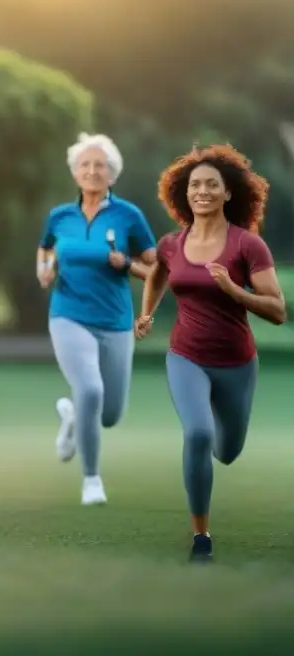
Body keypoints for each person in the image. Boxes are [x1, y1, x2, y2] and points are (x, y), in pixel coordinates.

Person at [135, 144, 285, 562]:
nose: (202, 191)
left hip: (237, 363)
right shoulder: (171, 243)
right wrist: (145, 314)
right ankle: (201, 536)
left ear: (228, 193)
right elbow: (156, 275)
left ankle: (222, 440)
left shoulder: (247, 246)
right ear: (184, 194)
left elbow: (277, 309)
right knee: (198, 433)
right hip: (185, 356)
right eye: (195, 185)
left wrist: (235, 291)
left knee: (227, 450)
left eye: (211, 185)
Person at [36, 133, 158, 506]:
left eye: (99, 165)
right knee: (90, 389)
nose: (91, 170)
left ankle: (74, 418)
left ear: (112, 174)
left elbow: (156, 268)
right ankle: (91, 480)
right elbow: (44, 249)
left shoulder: (129, 216)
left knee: (109, 414)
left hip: (116, 321)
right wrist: (44, 270)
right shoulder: (60, 216)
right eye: (85, 165)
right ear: (75, 173)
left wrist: (128, 264)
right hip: (68, 315)